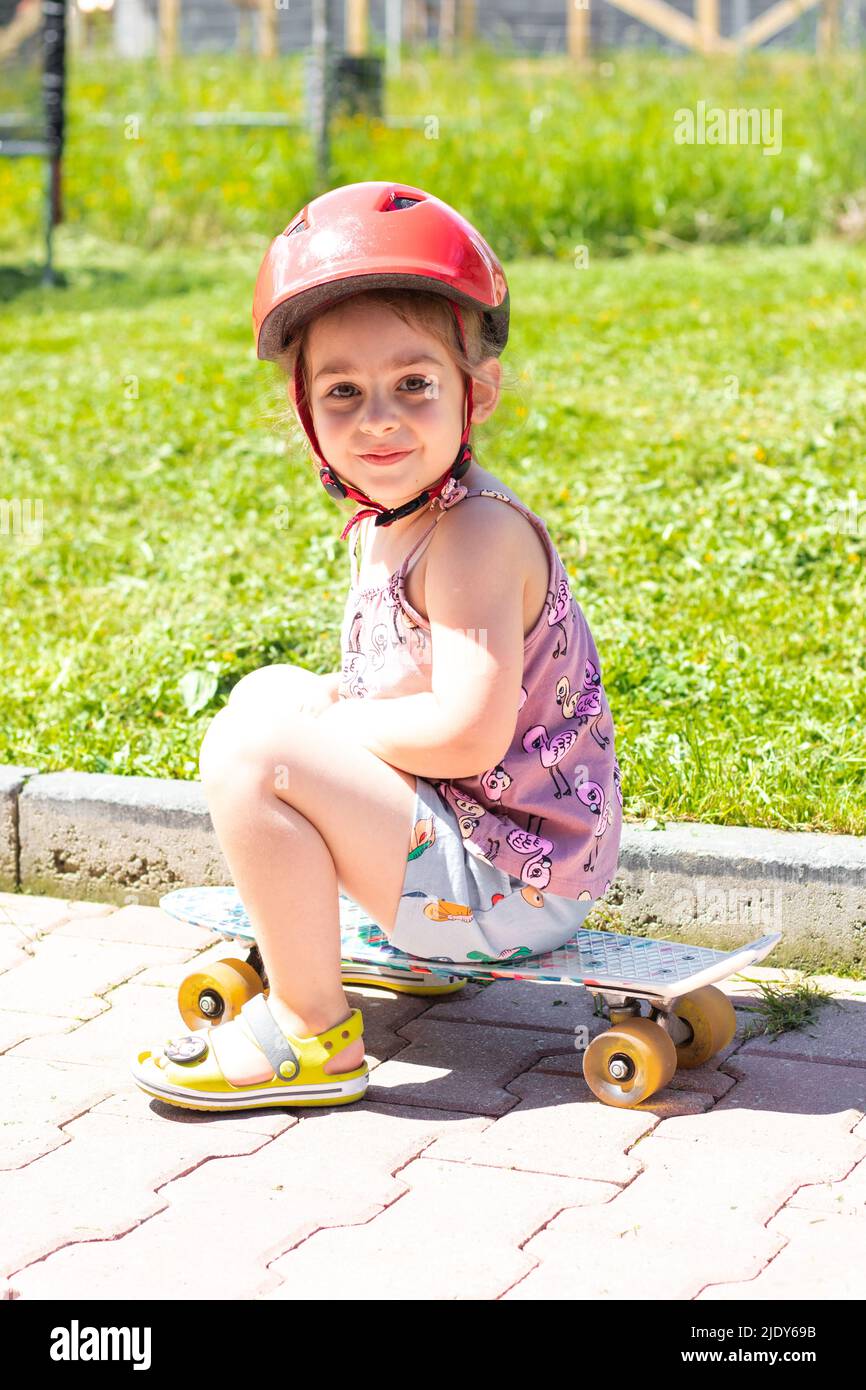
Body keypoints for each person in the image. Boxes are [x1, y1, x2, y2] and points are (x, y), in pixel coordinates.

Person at [131, 181, 623, 1114]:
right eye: (344, 394)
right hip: (474, 853)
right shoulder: (390, 521)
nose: (380, 419)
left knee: (252, 750)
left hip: (508, 886)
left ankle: (314, 1033)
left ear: (475, 392)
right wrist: (322, 703)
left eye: (414, 385)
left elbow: (470, 738)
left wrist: (339, 721)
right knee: (263, 699)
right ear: (308, 415)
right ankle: (397, 945)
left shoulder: (475, 535)